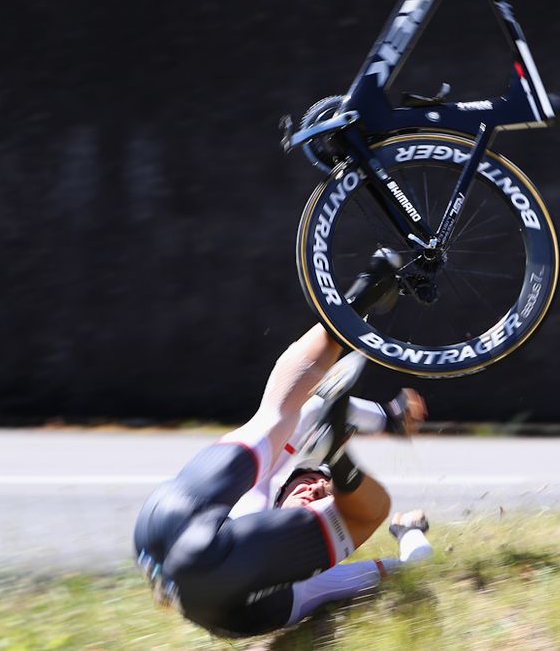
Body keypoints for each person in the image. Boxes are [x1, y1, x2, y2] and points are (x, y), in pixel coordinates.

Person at [133, 250, 433, 637]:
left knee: (285, 426)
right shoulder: (257, 498)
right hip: (169, 524)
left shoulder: (314, 575)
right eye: (310, 480)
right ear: (283, 483)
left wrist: (409, 533)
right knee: (278, 415)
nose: (313, 489)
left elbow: (412, 572)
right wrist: (389, 418)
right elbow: (310, 407)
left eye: (324, 491)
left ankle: (338, 456)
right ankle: (361, 295)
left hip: (177, 554)